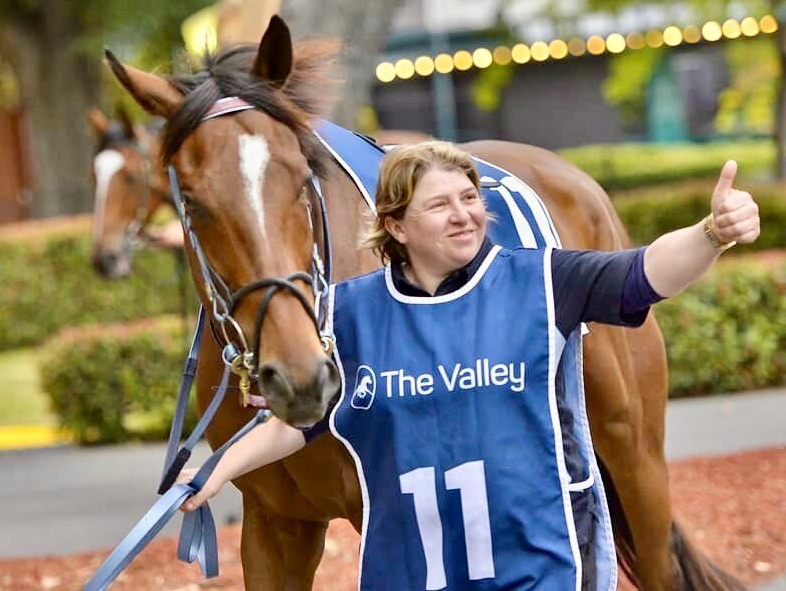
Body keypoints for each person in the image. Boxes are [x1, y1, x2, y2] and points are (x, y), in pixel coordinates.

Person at [176, 142, 760, 590]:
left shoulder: (544, 281)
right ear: (397, 227)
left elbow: (644, 273)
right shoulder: (349, 316)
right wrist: (217, 469)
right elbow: (303, 422)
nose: (464, 216)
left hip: (538, 566)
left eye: (470, 199)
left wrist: (712, 234)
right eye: (440, 205)